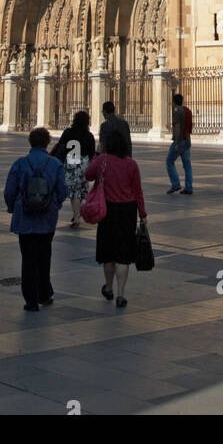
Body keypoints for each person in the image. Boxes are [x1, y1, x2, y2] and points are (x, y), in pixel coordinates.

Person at [3, 127, 66, 311]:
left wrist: (11, 207)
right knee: (44, 256)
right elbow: (62, 191)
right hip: (47, 218)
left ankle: (30, 300)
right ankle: (44, 294)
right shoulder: (55, 164)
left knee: (28, 258)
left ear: (30, 142)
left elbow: (10, 191)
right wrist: (55, 204)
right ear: (47, 142)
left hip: (25, 217)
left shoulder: (20, 164)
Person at [85, 130, 147, 309]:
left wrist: (97, 155)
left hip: (108, 210)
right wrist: (143, 214)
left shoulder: (102, 160)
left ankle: (109, 287)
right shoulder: (131, 164)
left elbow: (88, 175)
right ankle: (121, 294)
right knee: (123, 254)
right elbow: (138, 191)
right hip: (127, 211)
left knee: (108, 252)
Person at [52, 110, 96, 228]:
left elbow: (61, 146)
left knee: (74, 191)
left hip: (72, 163)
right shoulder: (88, 135)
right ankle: (77, 213)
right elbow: (92, 153)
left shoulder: (68, 132)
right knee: (81, 190)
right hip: (84, 164)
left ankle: (76, 216)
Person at [165, 92, 193, 195]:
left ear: (174, 102)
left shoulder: (176, 111)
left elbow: (177, 127)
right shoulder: (187, 110)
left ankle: (176, 184)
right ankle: (189, 187)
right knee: (187, 165)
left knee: (169, 161)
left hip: (180, 141)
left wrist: (176, 142)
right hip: (187, 140)